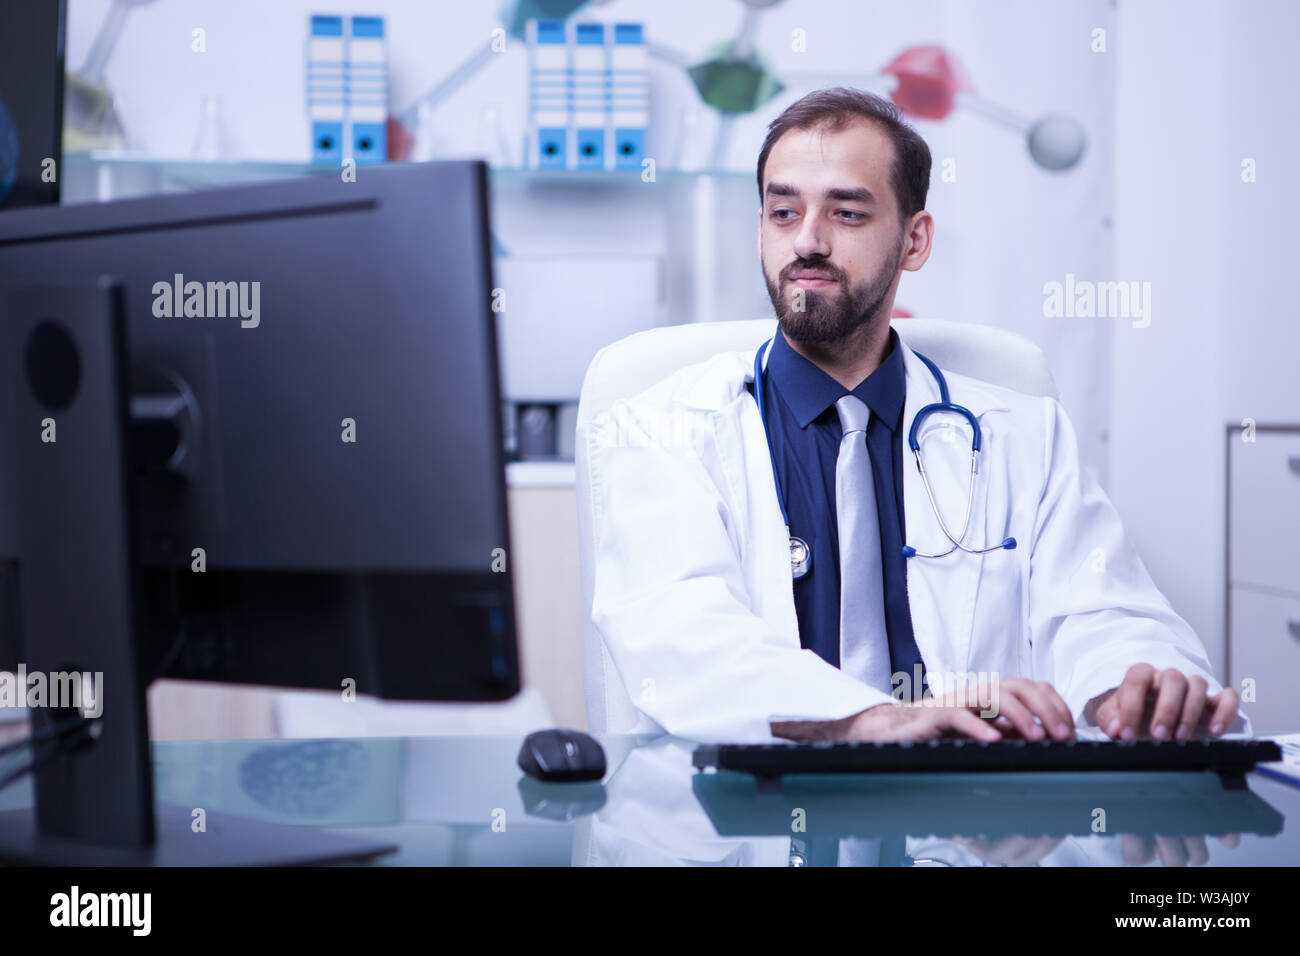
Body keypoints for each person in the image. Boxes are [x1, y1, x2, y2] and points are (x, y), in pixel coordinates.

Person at [583, 87, 1245, 744]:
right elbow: (679, 637)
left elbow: (1103, 610)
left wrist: (1134, 688)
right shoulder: (666, 429)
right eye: (783, 212)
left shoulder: (1025, 436)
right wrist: (874, 719)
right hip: (746, 824)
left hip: (974, 827)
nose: (807, 241)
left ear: (914, 239)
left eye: (846, 214)